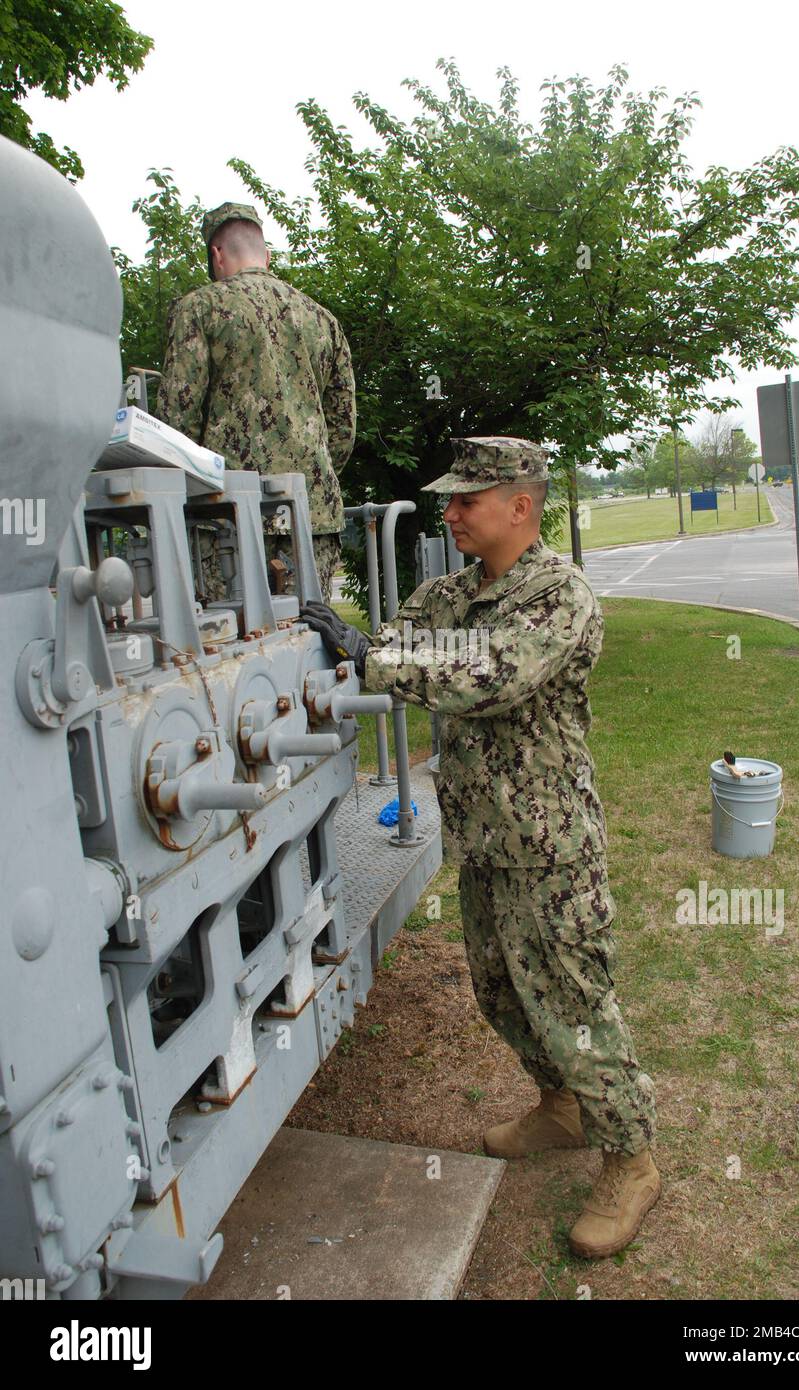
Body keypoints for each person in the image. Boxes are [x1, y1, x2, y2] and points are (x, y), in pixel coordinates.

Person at [299, 435, 661, 1259]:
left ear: (519, 507)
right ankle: (562, 1106)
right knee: (499, 992)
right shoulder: (449, 593)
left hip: (548, 844)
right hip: (483, 837)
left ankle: (632, 1161)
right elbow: (399, 645)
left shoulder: (558, 598)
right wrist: (344, 640)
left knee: (574, 1005)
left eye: (466, 500)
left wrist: (378, 656)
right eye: (449, 500)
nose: (449, 512)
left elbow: (488, 674)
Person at [155, 201, 355, 602]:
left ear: (216, 255)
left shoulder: (199, 308)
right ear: (265, 254)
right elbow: (343, 428)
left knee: (231, 640)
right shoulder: (321, 319)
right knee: (311, 641)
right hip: (310, 518)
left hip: (226, 517)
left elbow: (176, 425)